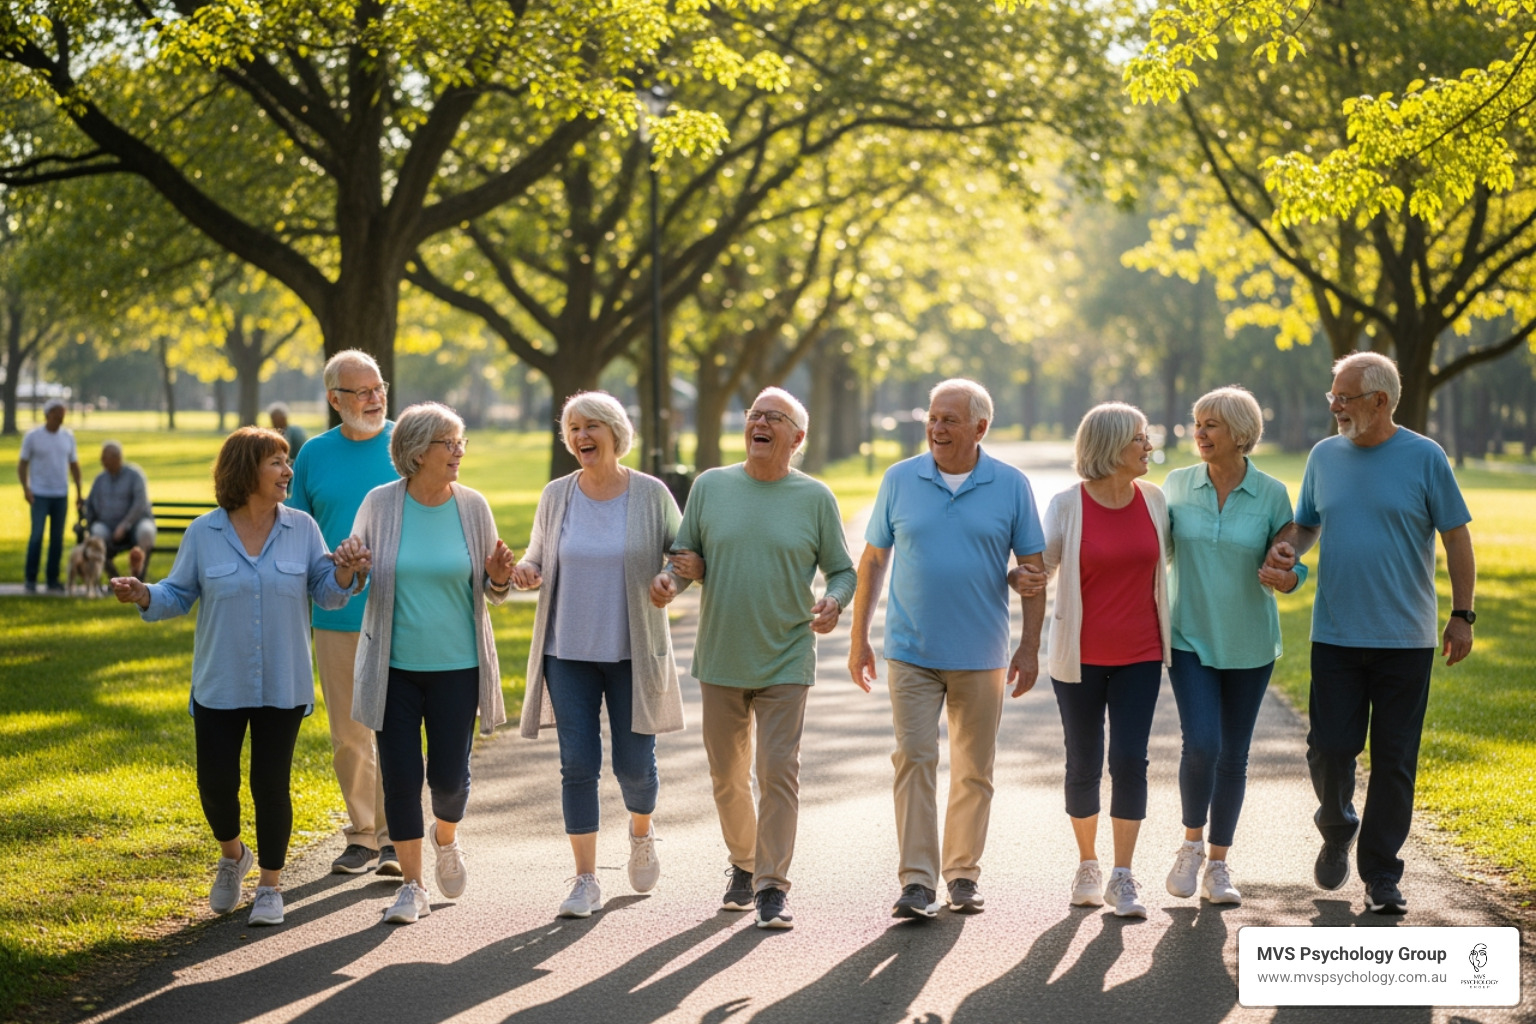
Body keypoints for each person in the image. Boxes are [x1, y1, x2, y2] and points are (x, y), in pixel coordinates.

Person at [110, 428, 369, 927]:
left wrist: (344, 572)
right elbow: (177, 594)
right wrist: (145, 594)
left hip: (283, 683)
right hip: (220, 683)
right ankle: (233, 856)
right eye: (276, 462)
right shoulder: (204, 533)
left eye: (287, 461)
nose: (288, 472)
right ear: (246, 470)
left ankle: (270, 886)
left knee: (271, 785)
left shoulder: (304, 528)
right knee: (215, 785)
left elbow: (328, 592)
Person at [1264, 352, 1475, 915]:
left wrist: (1463, 613)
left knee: (1395, 759)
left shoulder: (1426, 458)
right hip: (1335, 633)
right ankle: (1337, 827)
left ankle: (1382, 872)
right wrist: (1288, 548)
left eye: (1344, 396)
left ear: (1379, 401)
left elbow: (1456, 538)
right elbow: (1307, 521)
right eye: (1332, 394)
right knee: (1329, 748)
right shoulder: (1323, 455)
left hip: (1406, 639)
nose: (1333, 405)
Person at [650, 386, 856, 930]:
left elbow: (843, 568)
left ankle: (771, 885)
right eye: (754, 415)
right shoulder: (711, 487)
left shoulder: (814, 498)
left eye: (774, 417)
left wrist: (834, 601)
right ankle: (744, 863)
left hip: (787, 653)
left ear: (797, 436)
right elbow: (685, 557)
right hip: (721, 654)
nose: (759, 423)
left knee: (777, 771)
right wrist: (671, 582)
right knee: (727, 775)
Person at [847, 379, 1046, 920]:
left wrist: (1029, 648)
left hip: (982, 653)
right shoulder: (899, 479)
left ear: (980, 428)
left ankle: (961, 874)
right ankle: (916, 880)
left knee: (973, 768)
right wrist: (859, 635)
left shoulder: (1010, 485)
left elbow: (1033, 571)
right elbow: (872, 561)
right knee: (913, 759)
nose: (936, 429)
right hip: (910, 649)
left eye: (949, 420)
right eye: (933, 419)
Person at [514, 391, 686, 919]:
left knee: (635, 767)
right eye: (572, 428)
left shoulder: (651, 494)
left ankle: (640, 830)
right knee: (577, 764)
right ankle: (585, 879)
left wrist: (670, 580)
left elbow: (684, 556)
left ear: (614, 432)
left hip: (632, 652)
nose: (581, 436)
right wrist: (525, 571)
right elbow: (537, 556)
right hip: (568, 652)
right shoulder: (557, 494)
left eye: (591, 426)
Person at [348, 402, 516, 925]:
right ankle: (413, 885)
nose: (459, 451)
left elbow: (495, 590)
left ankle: (447, 837)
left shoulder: (473, 506)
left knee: (448, 779)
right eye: (450, 443)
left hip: (458, 667)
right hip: (393, 667)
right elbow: (353, 574)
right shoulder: (379, 504)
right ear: (419, 452)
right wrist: (351, 567)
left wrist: (499, 576)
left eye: (461, 442)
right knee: (400, 777)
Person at [1161, 386, 1305, 907]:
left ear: (1241, 435)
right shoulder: (1175, 485)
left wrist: (1287, 577)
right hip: (1189, 636)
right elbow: (1156, 555)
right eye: (1197, 423)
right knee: (1202, 744)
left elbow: (1291, 562)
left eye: (1211, 425)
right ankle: (1190, 845)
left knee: (1234, 756)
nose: (1198, 433)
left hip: (1250, 642)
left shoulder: (1271, 493)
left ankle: (1219, 865)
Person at [1034, 402, 1170, 919]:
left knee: (1131, 761)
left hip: (1141, 654)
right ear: (1112, 447)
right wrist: (1017, 577)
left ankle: (1123, 875)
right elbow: (1040, 567)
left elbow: (1177, 561)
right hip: (1079, 659)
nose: (1148, 446)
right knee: (1084, 760)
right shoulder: (1068, 505)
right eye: (1140, 438)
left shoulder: (1155, 501)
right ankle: (1088, 864)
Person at [287, 351, 401, 876]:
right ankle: (362, 836)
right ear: (335, 400)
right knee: (349, 733)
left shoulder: (408, 443)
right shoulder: (311, 454)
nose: (375, 399)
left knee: (396, 728)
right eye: (362, 392)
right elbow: (299, 532)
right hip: (335, 614)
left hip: (403, 610)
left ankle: (399, 836)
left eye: (378, 388)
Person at [18, 398, 83, 593]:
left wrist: (79, 493)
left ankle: (52, 579)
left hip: (60, 494)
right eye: (57, 416)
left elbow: (74, 466)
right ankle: (31, 578)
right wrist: (26, 489)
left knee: (57, 538)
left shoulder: (67, 437)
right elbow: (23, 464)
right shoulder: (33, 437)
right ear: (47, 415)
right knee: (36, 536)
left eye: (63, 416)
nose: (60, 420)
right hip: (39, 494)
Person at [83, 441, 156, 578]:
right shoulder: (100, 479)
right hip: (108, 526)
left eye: (105, 457)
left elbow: (140, 503)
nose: (101, 461)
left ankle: (139, 578)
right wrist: (87, 520)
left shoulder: (135, 475)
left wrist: (125, 524)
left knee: (146, 531)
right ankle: (114, 579)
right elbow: (91, 504)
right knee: (96, 533)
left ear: (117, 457)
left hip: (135, 524)